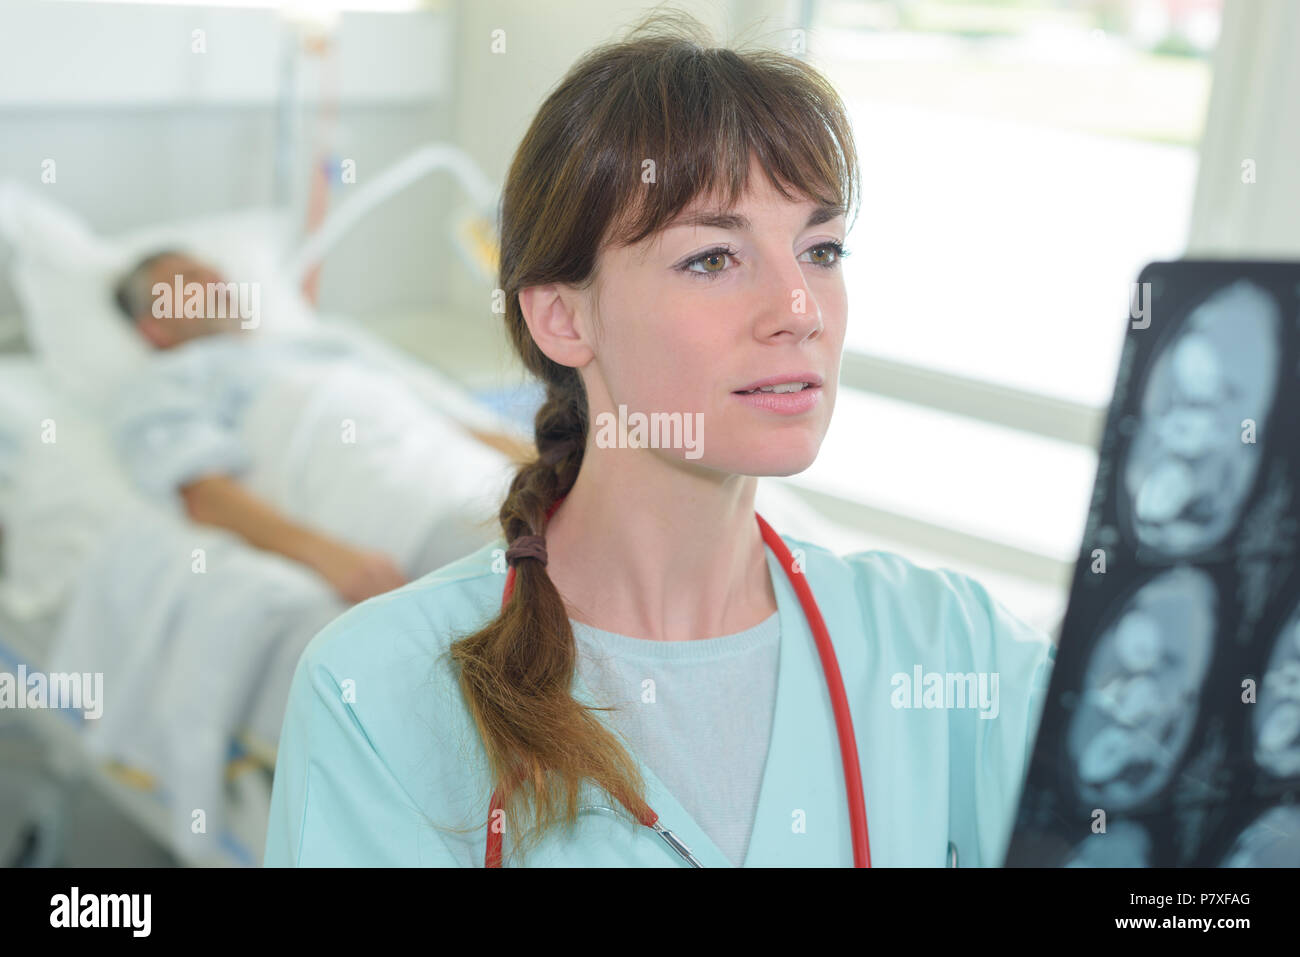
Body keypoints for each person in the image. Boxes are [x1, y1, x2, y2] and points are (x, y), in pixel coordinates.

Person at [264, 11, 1057, 868]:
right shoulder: (375, 691)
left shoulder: (947, 647)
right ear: (563, 316)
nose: (799, 310)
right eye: (714, 258)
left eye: (822, 249)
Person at [111, 250, 530, 604]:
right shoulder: (170, 381)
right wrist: (327, 556)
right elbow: (204, 493)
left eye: (212, 270)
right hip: (412, 510)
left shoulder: (318, 345)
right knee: (545, 576)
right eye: (189, 279)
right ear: (155, 327)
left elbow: (438, 415)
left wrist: (547, 459)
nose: (215, 279)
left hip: (483, 473)